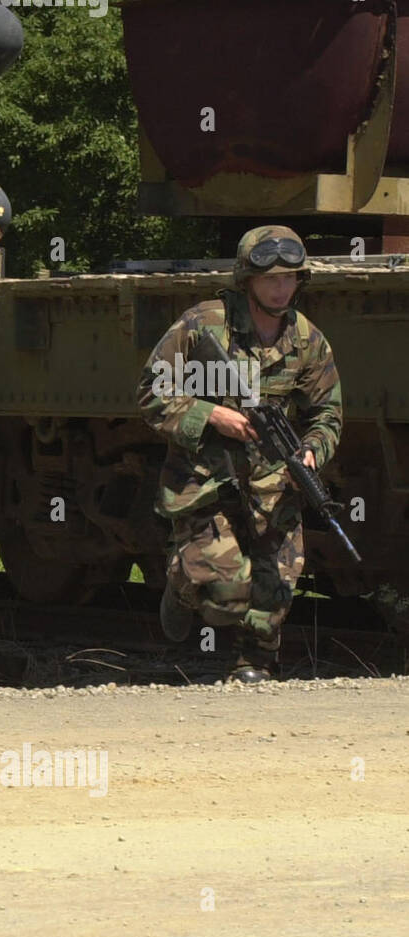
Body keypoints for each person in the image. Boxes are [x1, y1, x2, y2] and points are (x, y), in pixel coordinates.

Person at [137, 225, 343, 682]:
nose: (280, 287)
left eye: (289, 278)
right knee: (228, 597)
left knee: (274, 594)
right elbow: (152, 392)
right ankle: (182, 585)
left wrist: (311, 453)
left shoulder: (308, 340)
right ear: (247, 279)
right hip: (206, 481)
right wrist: (213, 416)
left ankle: (253, 668)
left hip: (274, 488)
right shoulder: (202, 325)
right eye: (270, 278)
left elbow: (328, 414)